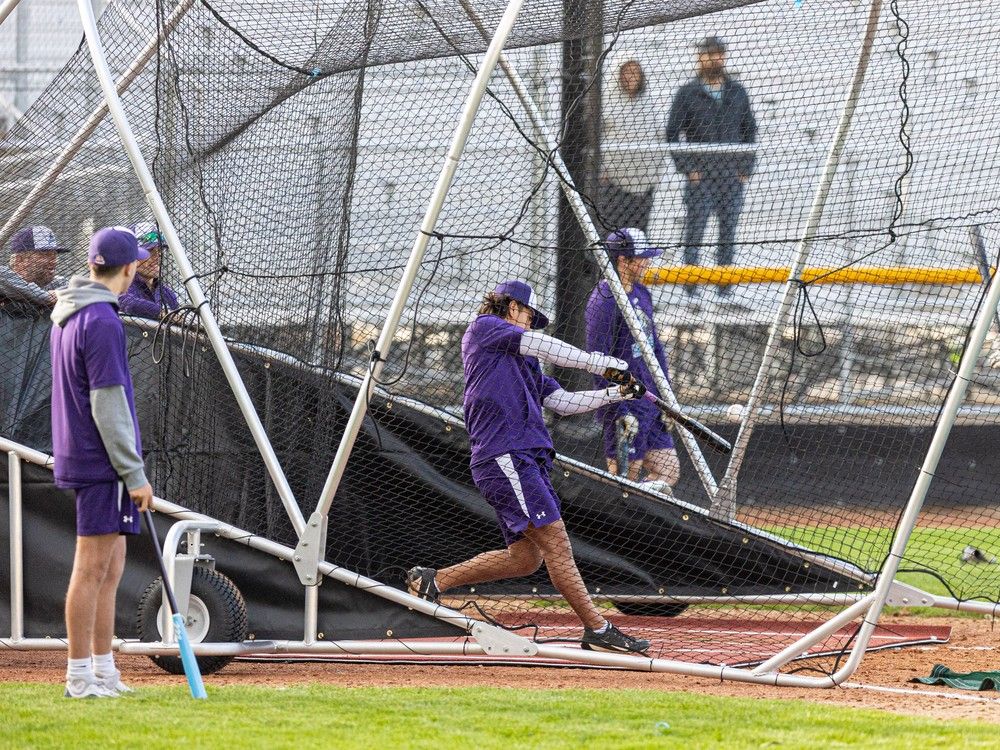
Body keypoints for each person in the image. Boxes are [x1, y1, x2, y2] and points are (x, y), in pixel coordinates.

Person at [407, 280, 650, 655]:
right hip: (506, 454)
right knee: (557, 543)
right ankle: (598, 630)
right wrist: (602, 363)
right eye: (529, 316)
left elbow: (564, 402)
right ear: (512, 307)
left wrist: (615, 393)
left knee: (525, 559)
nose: (531, 325)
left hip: (523, 458)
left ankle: (433, 580)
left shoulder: (525, 359)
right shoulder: (485, 328)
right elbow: (544, 345)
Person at [50, 226, 154, 698]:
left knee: (111, 568)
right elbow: (107, 405)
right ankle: (78, 676)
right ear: (129, 268)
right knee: (91, 568)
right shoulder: (102, 320)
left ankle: (103, 670)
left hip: (90, 457)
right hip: (100, 462)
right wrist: (134, 473)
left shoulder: (72, 314)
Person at [585, 228, 680, 488]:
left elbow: (655, 348)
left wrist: (667, 398)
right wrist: (619, 410)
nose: (647, 262)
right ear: (623, 261)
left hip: (650, 399)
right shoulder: (603, 301)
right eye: (641, 257)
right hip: (625, 401)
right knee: (626, 481)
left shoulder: (641, 292)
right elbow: (598, 364)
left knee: (668, 473)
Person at [665, 36, 757, 305]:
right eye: (707, 54)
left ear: (723, 57)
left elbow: (749, 130)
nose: (713, 59)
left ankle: (724, 290)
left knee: (728, 232)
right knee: (695, 231)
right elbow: (673, 133)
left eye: (717, 54)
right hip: (700, 177)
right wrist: (688, 168)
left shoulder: (737, 92)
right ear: (699, 58)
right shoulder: (687, 93)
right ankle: (691, 291)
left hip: (730, 175)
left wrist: (745, 168)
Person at [599, 53, 662, 232]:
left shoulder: (649, 103)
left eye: (635, 71)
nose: (631, 76)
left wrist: (655, 174)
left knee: (638, 238)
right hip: (614, 185)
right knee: (613, 236)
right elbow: (595, 138)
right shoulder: (606, 102)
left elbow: (659, 138)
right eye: (626, 71)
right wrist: (602, 169)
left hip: (644, 187)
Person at [119, 221, 179, 319]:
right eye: (150, 251)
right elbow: (128, 303)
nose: (157, 257)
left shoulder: (167, 293)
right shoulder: (123, 284)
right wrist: (164, 314)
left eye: (159, 250)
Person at [0, 225, 68, 310]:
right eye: (45, 255)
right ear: (20, 260)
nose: (54, 261)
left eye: (54, 255)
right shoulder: (4, 283)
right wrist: (48, 297)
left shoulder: (57, 284)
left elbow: (79, 290)